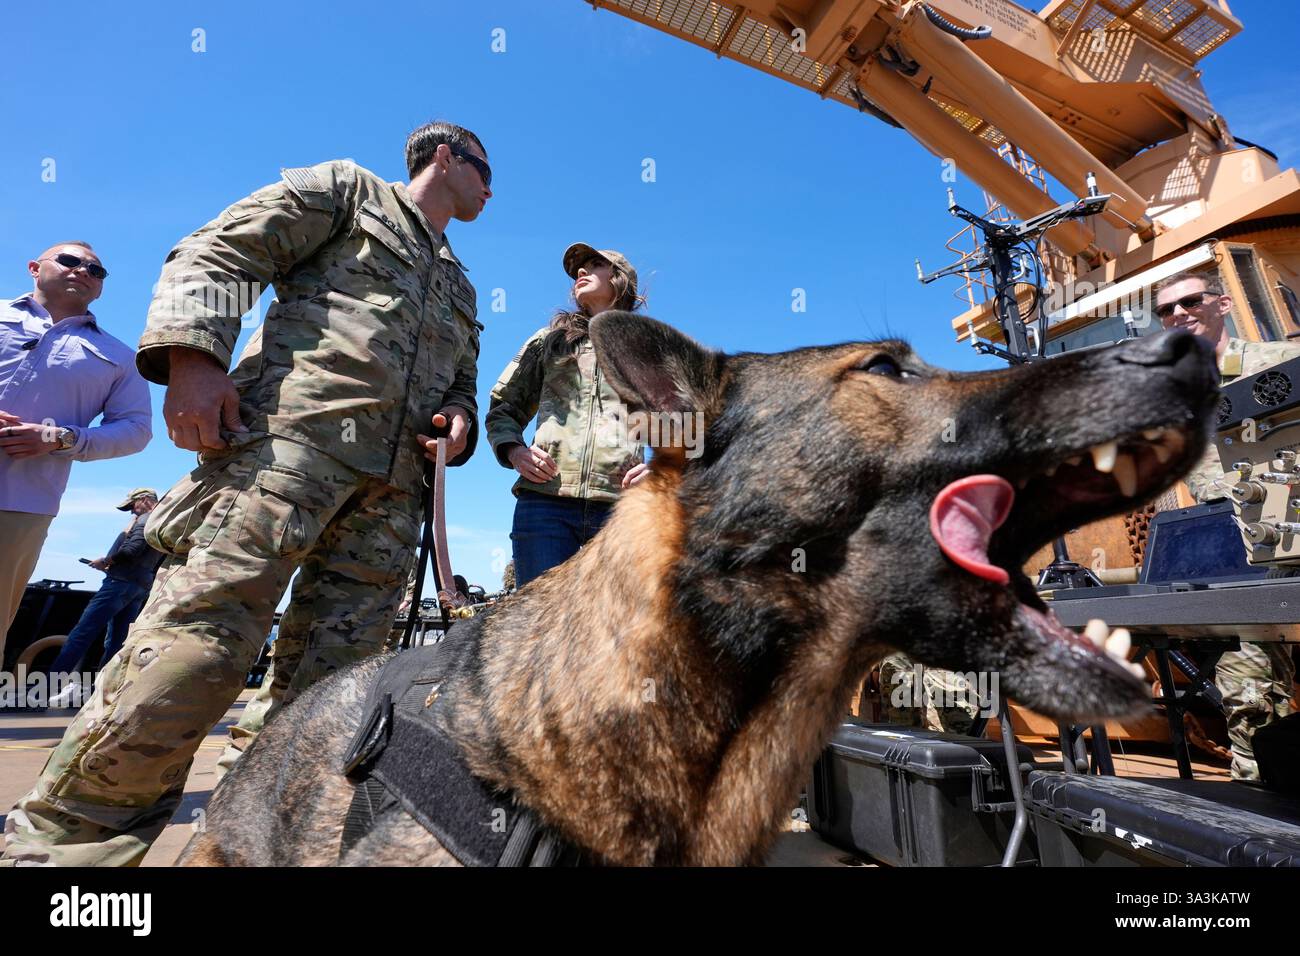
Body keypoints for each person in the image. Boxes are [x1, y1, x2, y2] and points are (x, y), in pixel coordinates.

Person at [3, 121, 491, 866]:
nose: (491, 191)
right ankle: (65, 860)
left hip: (390, 502)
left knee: (333, 692)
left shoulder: (458, 281)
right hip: (284, 458)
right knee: (193, 654)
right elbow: (225, 250)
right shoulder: (347, 193)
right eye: (485, 172)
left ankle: (252, 849)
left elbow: (461, 380)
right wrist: (195, 358)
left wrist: (459, 418)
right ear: (447, 157)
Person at [1155, 270, 1298, 781]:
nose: (1177, 314)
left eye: (1189, 301)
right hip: (1233, 556)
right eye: (1166, 310)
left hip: (1289, 534)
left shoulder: (1275, 363)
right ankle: (1261, 798)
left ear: (1221, 303)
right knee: (1248, 685)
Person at [0, 243, 151, 663]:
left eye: (96, 270)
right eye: (69, 261)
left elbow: (137, 431)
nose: (83, 270)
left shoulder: (121, 358)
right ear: (34, 267)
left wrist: (61, 438)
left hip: (20, 504)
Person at [486, 244, 650, 587]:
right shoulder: (549, 341)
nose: (580, 272)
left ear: (620, 279)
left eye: (594, 264)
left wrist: (663, 469)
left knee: (613, 629)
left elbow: (688, 422)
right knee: (539, 629)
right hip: (545, 505)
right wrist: (514, 450)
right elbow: (505, 406)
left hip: (620, 510)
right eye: (578, 268)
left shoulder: (649, 350)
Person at [46, 489, 163, 708]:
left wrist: (106, 561)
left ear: (145, 500)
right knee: (115, 643)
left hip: (119, 584)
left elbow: (132, 550)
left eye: (133, 506)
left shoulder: (146, 520)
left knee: (81, 635)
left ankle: (43, 692)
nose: (131, 512)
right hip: (139, 586)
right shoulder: (161, 522)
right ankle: (101, 696)